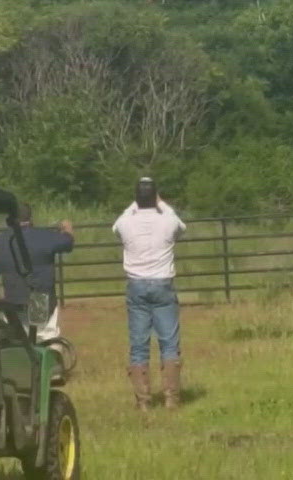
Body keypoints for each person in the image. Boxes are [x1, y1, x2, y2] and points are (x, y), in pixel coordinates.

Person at [113, 176, 186, 410]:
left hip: (136, 285)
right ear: (155, 196)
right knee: (169, 342)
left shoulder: (126, 222)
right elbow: (180, 226)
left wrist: (136, 204)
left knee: (138, 343)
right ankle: (171, 398)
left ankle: (143, 401)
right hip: (163, 283)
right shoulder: (167, 220)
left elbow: (117, 225)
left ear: (135, 198)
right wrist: (160, 203)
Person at [0, 202, 73, 343]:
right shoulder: (44, 236)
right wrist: (67, 228)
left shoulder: (0, 241)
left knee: (20, 340)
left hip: (13, 300)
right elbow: (67, 243)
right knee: (46, 337)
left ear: (10, 219)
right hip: (39, 298)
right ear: (30, 218)